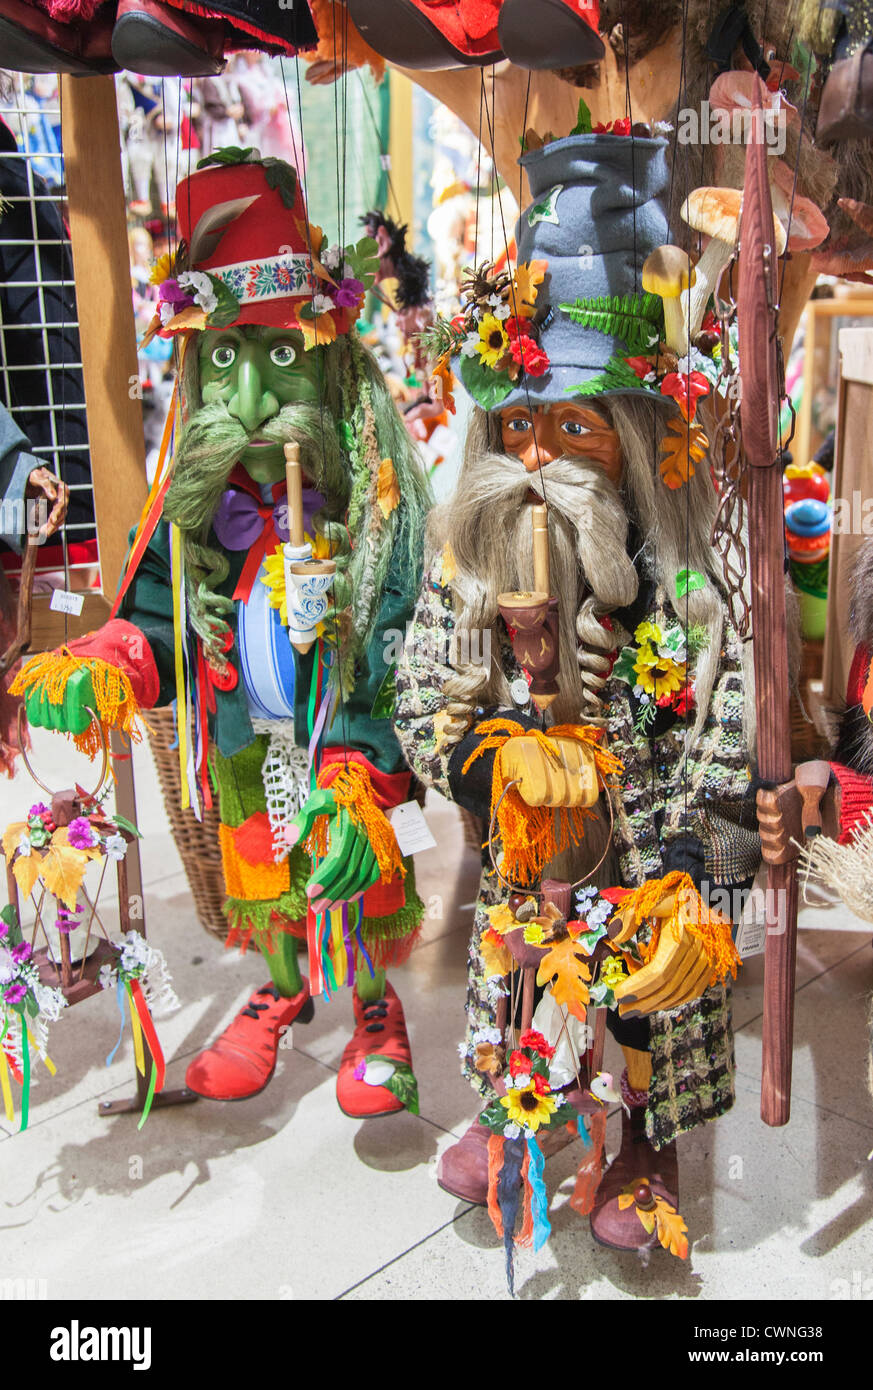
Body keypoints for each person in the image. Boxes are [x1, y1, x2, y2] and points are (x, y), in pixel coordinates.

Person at [394, 129, 760, 1250]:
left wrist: (696, 853)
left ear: (640, 440)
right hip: (525, 838)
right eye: (521, 426)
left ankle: (645, 1133)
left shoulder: (683, 583)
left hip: (645, 844)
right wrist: (478, 755)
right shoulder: (470, 569)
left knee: (644, 984)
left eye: (575, 426)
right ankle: (526, 1109)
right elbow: (422, 684)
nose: (540, 456)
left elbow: (730, 703)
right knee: (517, 973)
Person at [15, 148, 433, 1120]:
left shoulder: (375, 492)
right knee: (259, 852)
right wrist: (116, 659)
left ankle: (375, 1013)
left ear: (330, 350)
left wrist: (376, 764)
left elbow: (408, 632)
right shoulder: (191, 504)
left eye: (280, 357)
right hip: (245, 739)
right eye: (227, 362)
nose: (248, 406)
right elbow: (153, 611)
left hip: (346, 750)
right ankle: (283, 984)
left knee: (351, 857)